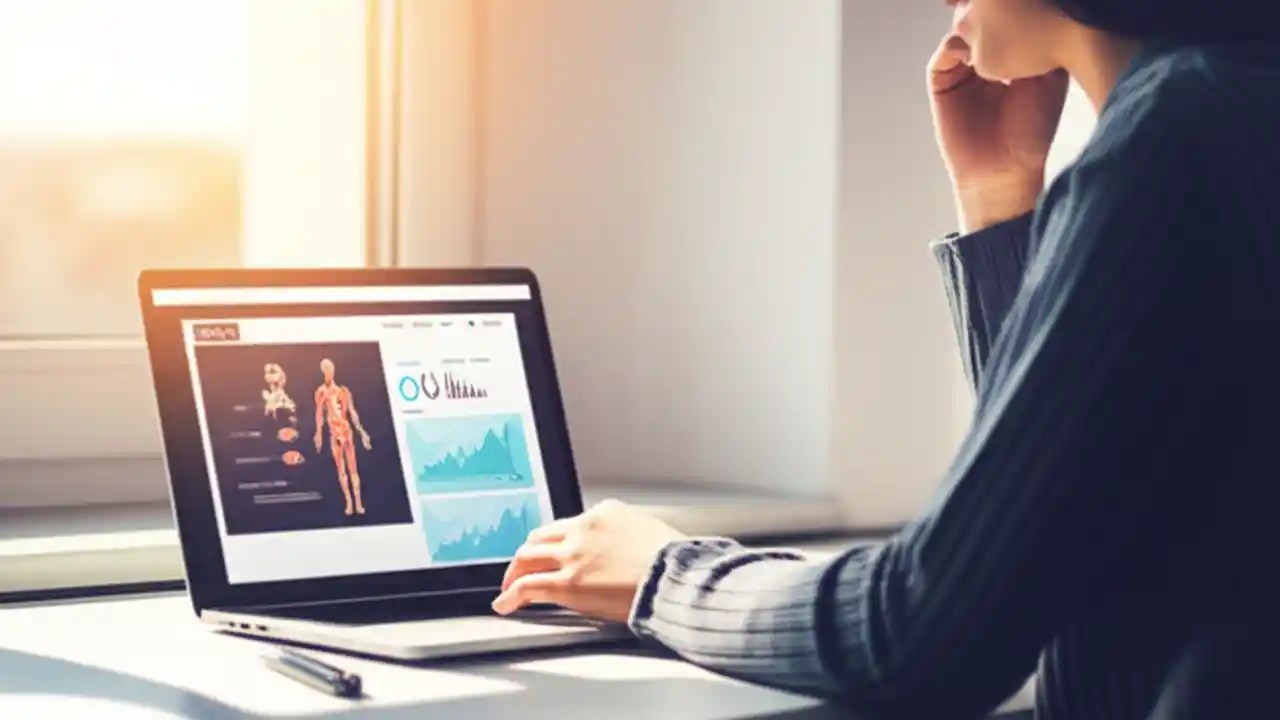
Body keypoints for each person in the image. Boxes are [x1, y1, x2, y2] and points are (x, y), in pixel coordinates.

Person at [494, 0, 1280, 717]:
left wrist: (662, 574)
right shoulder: (1231, 103)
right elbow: (1065, 523)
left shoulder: (1175, 136)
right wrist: (1002, 196)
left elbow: (927, 630)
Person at [314, 358, 373, 516]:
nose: (328, 372)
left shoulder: (343, 391)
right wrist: (318, 433)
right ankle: (349, 502)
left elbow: (352, 412)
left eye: (330, 369)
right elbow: (319, 414)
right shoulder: (321, 392)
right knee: (341, 469)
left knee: (353, 468)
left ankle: (358, 502)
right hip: (334, 432)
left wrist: (362, 432)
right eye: (325, 369)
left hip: (346, 430)